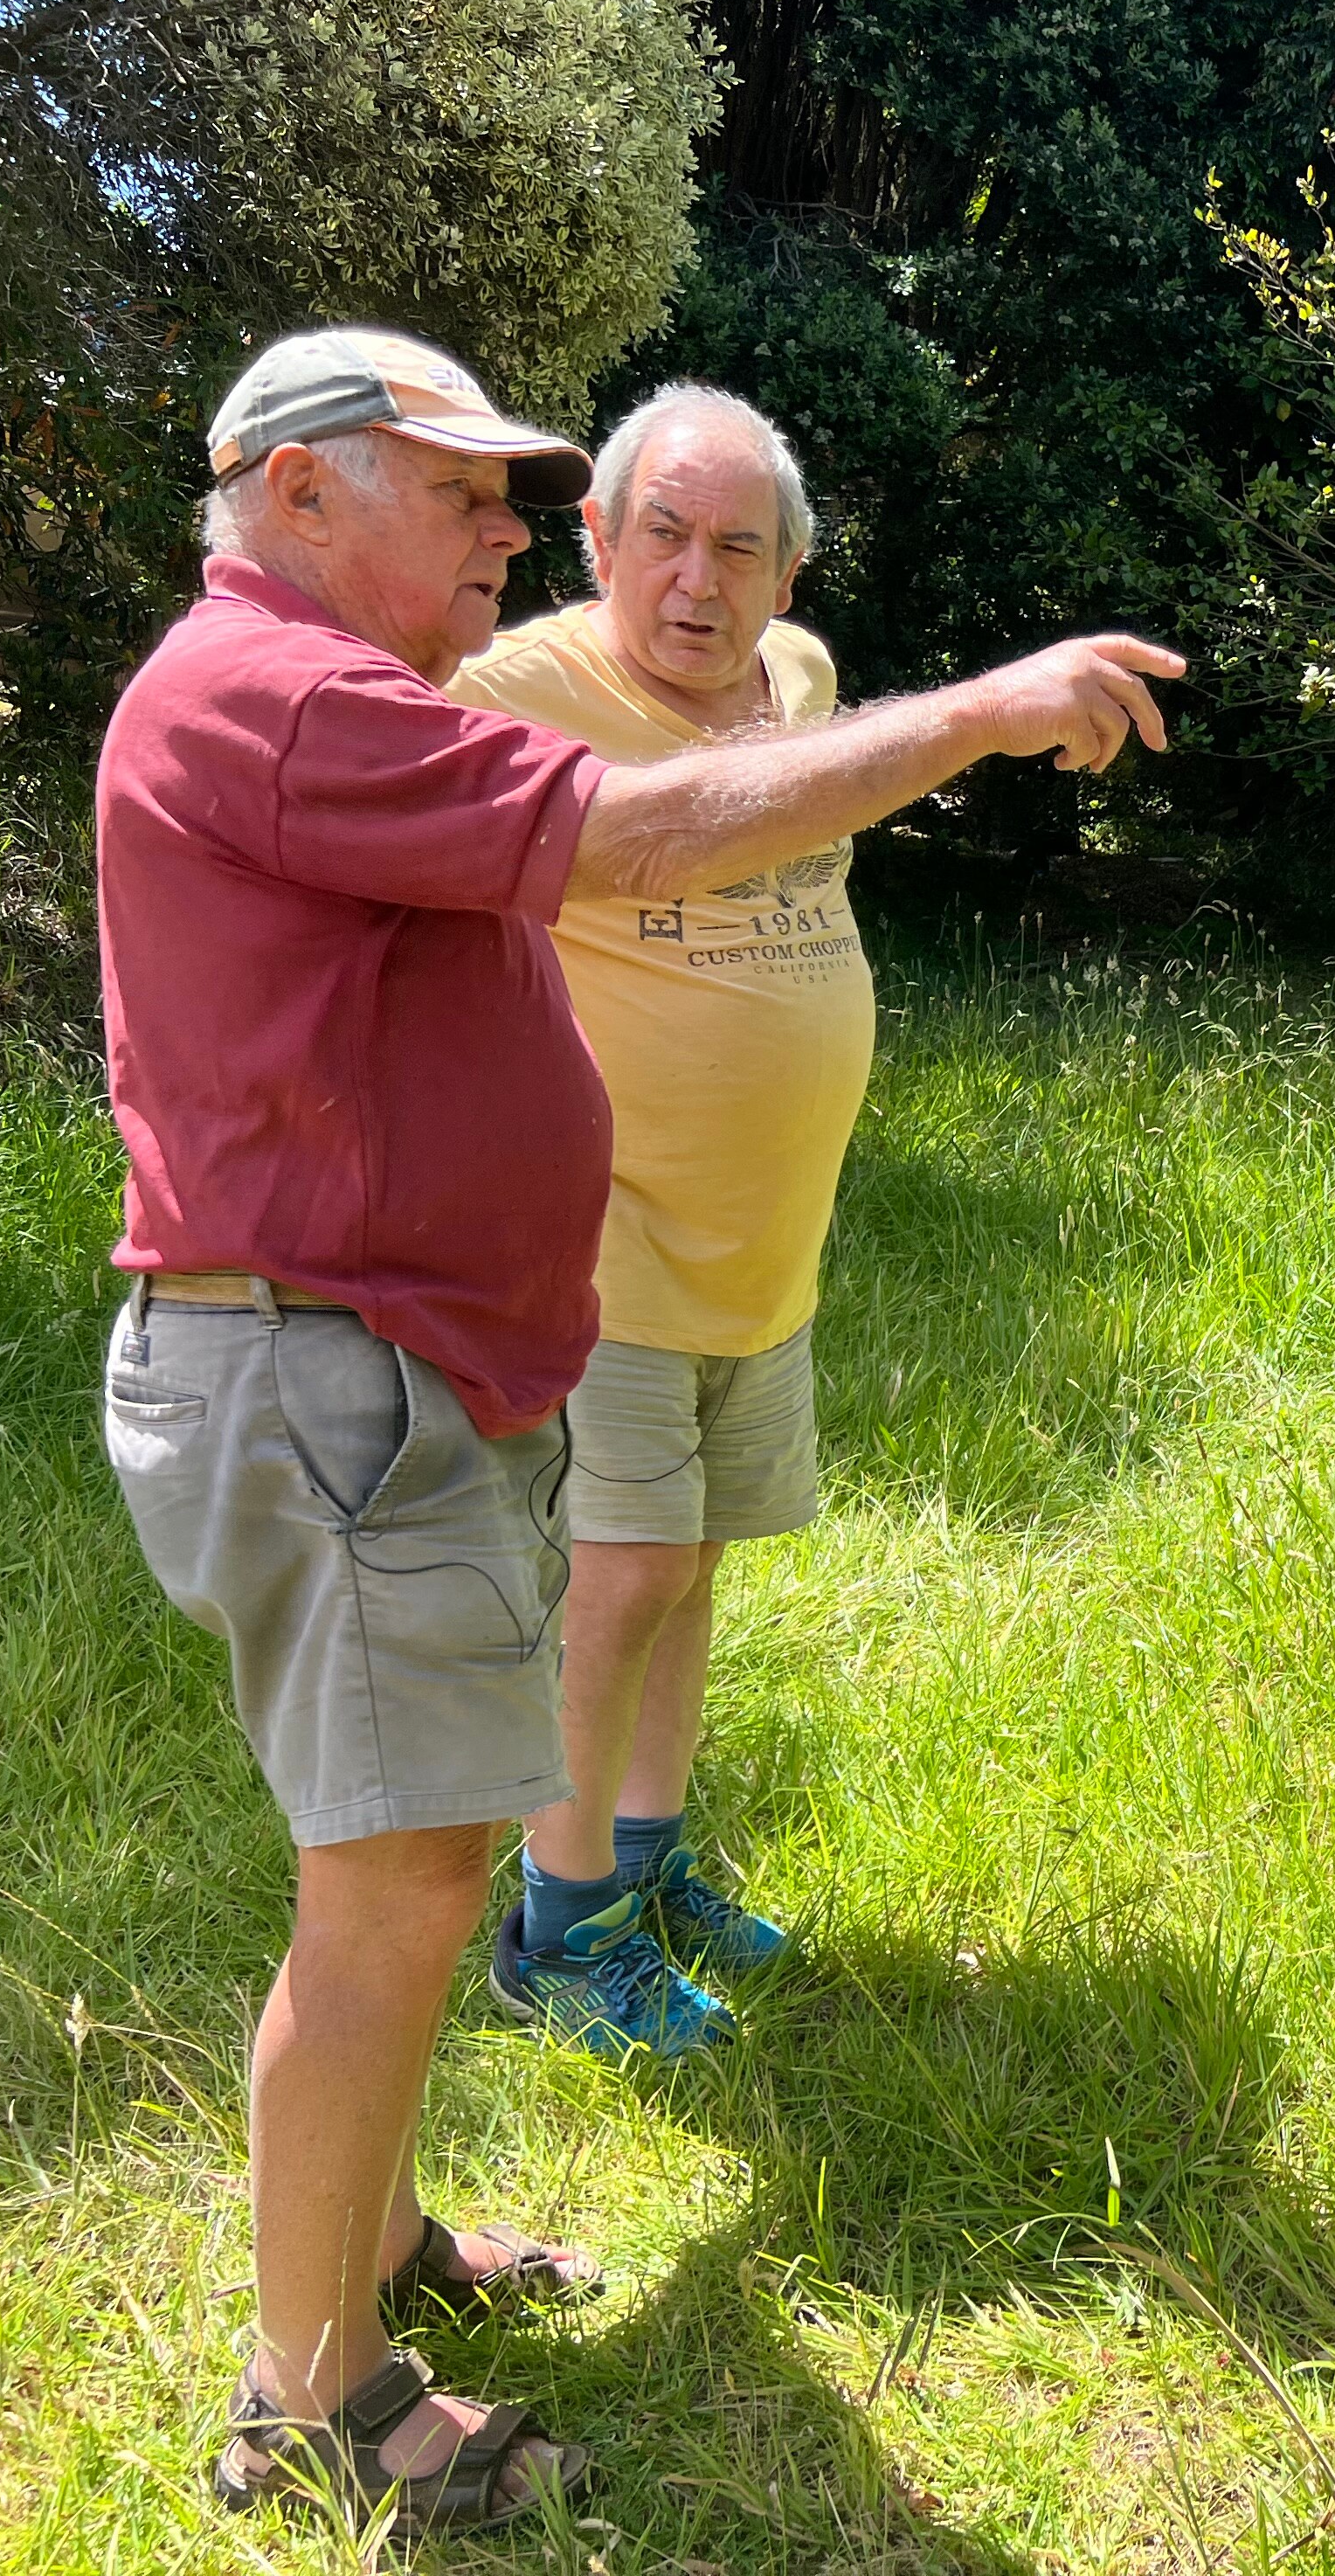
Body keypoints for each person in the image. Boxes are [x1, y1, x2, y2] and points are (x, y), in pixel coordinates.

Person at [96, 325, 1179, 2536]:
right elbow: (642, 827)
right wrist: (976, 713)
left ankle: (371, 2241)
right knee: (397, 1888)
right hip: (326, 1376)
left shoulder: (329, 695)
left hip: (387, 1369)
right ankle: (313, 2401)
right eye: (464, 491)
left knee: (410, 1861)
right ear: (296, 494)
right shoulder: (279, 697)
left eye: (519, 496)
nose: (514, 532)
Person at [445, 385, 854, 2056]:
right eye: (664, 537)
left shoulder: (803, 679)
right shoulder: (513, 689)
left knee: (691, 1571)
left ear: (787, 572)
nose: (699, 580)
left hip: (764, 1248)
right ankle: (559, 1936)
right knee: (618, 1579)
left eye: (739, 548)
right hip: (597, 1245)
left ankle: (645, 1856)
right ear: (599, 541)